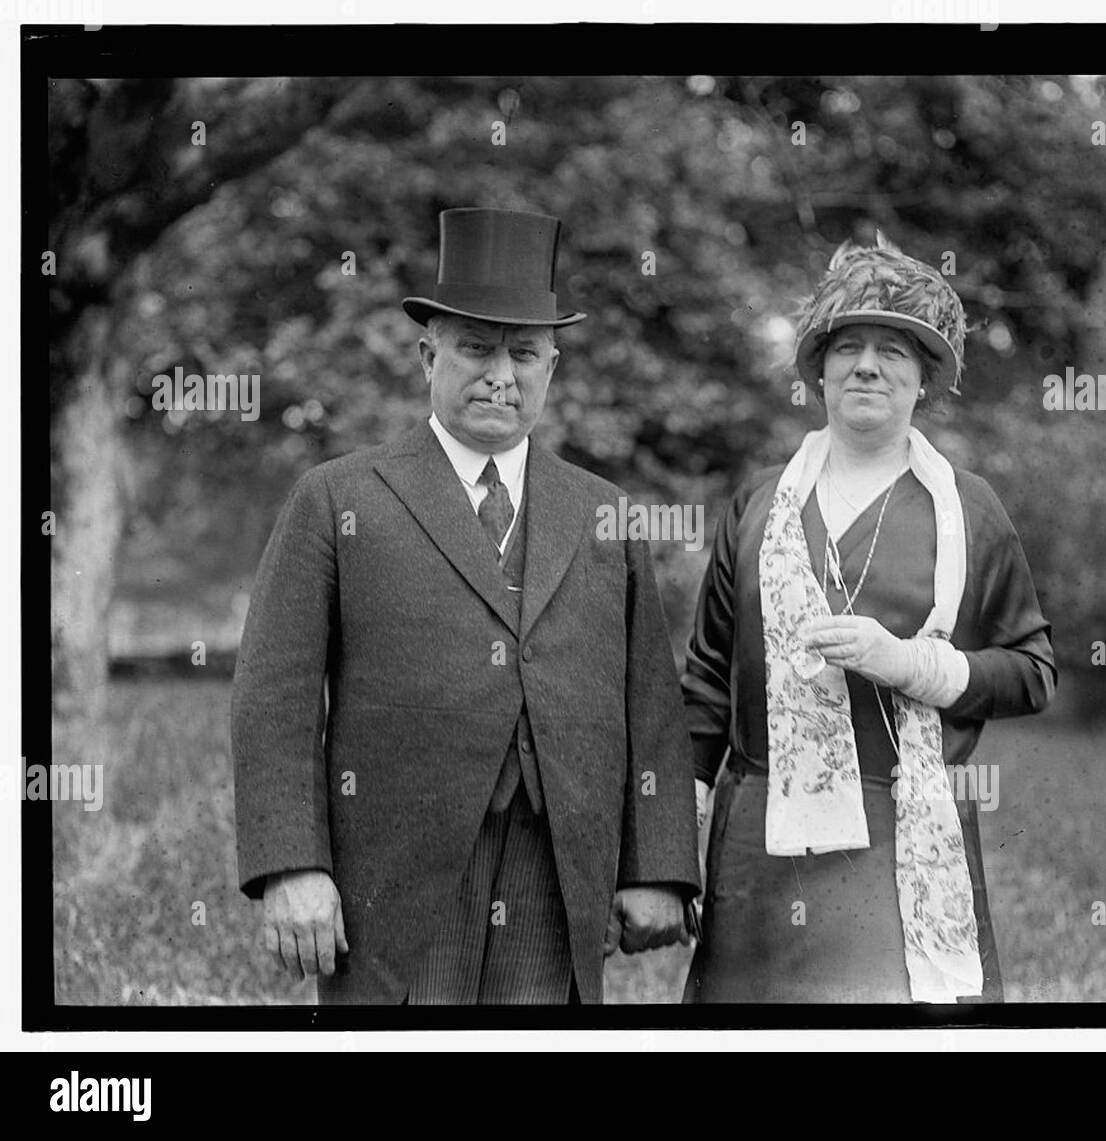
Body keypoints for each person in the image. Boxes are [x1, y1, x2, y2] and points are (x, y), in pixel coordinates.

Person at [232, 207, 699, 1004]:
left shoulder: (605, 512)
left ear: (553, 365)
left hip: (559, 874)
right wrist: (291, 865)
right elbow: (274, 697)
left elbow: (650, 704)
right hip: (396, 884)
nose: (500, 374)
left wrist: (656, 866)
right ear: (428, 355)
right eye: (477, 348)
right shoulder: (337, 497)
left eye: (525, 353)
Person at [682, 237, 1056, 1003]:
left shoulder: (968, 511)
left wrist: (912, 662)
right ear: (817, 370)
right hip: (760, 829)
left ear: (926, 379)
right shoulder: (758, 505)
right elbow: (707, 685)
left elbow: (1034, 672)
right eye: (846, 346)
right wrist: (675, 836)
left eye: (895, 351)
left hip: (902, 832)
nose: (867, 366)